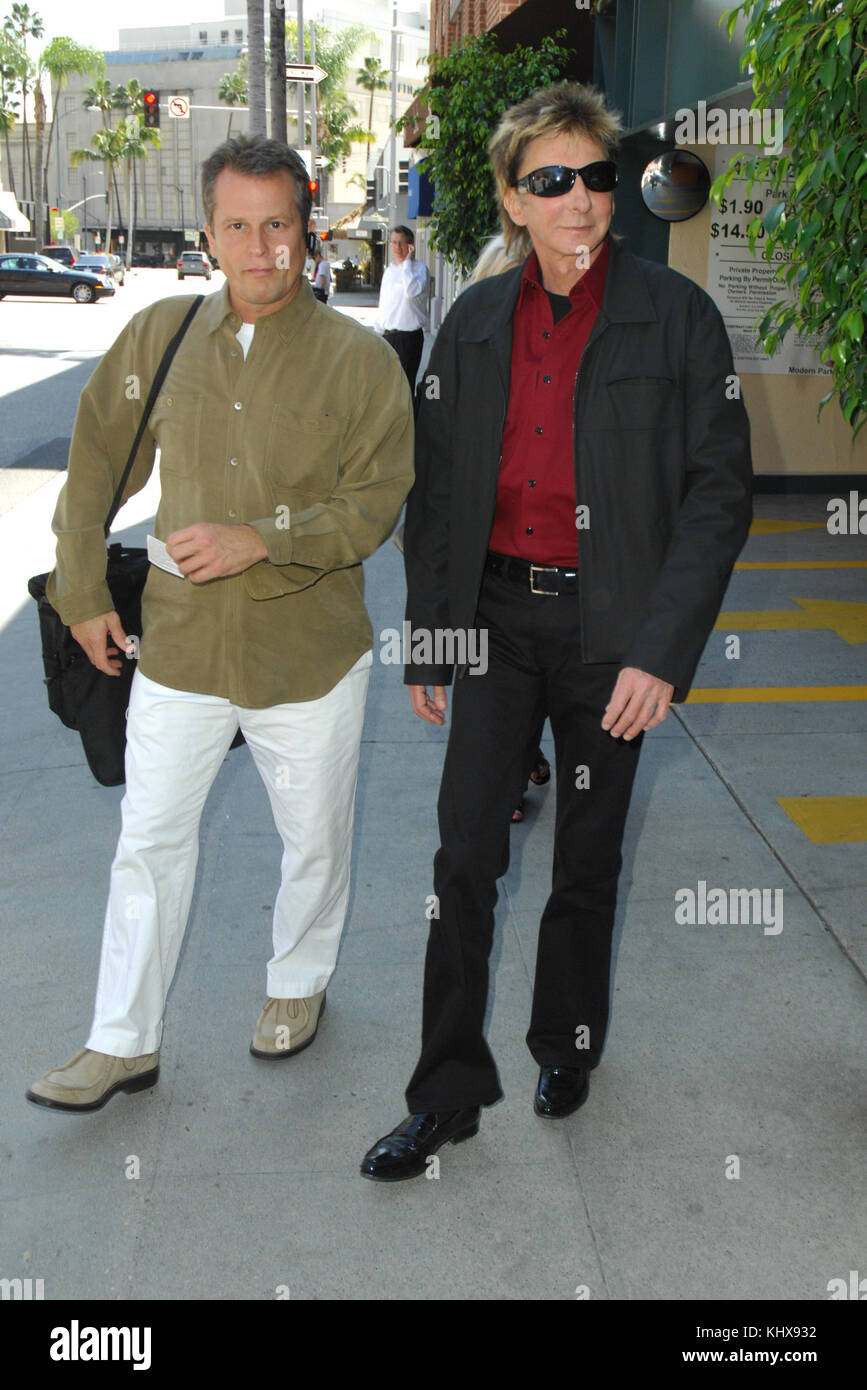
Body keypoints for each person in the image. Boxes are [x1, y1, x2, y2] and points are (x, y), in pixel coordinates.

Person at [360, 82, 752, 1181]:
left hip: (613, 634)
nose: (579, 200)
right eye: (551, 182)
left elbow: (718, 496)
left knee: (586, 854)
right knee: (464, 856)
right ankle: (446, 1090)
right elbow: (435, 491)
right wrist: (433, 636)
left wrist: (661, 653)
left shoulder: (677, 318)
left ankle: (565, 1041)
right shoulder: (475, 322)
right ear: (512, 199)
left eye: (593, 177)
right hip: (491, 622)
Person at [27, 134, 414, 1114]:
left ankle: (297, 983)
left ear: (307, 228)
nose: (259, 246)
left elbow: (374, 505)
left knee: (314, 840)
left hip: (310, 654)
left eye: (277, 224)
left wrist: (264, 537)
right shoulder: (156, 339)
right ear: (209, 231)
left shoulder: (360, 363)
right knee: (149, 842)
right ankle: (122, 1040)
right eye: (237, 225)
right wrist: (80, 593)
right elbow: (95, 466)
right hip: (182, 649)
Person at [376, 224, 429, 391]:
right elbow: (384, 304)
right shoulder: (389, 271)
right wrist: (378, 332)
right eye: (393, 242)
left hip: (408, 337)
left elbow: (411, 291)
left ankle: (409, 417)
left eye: (401, 243)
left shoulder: (420, 270)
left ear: (410, 245)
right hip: (388, 336)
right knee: (387, 387)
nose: (397, 247)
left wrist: (407, 263)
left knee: (404, 387)